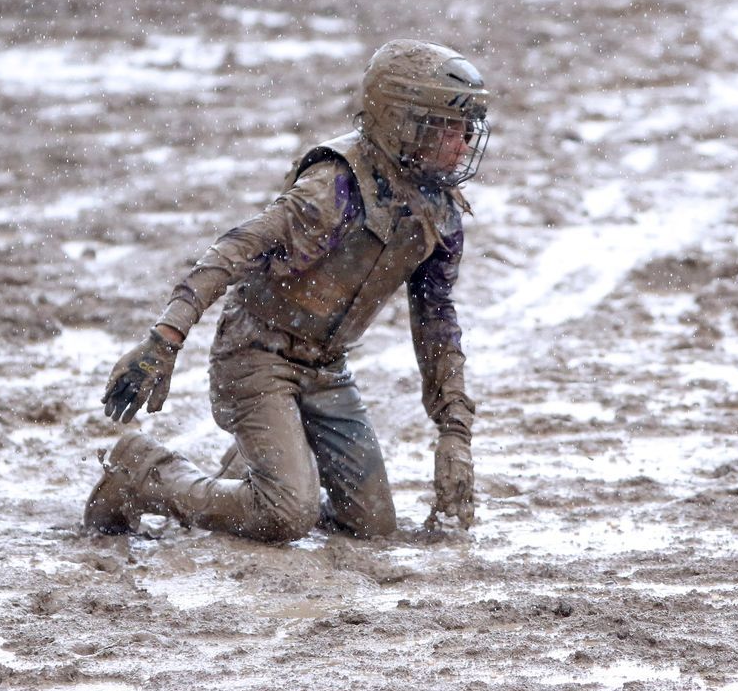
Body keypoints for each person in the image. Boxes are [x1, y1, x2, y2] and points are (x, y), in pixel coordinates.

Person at [84, 39, 490, 542]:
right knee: (286, 516)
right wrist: (163, 341)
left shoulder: (438, 212)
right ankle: (143, 470)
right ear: (401, 123)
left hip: (327, 367)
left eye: (467, 127)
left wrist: (454, 433)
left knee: (372, 528)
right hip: (256, 353)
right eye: (447, 127)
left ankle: (254, 471)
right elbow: (231, 252)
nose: (464, 143)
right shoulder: (332, 190)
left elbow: (436, 323)